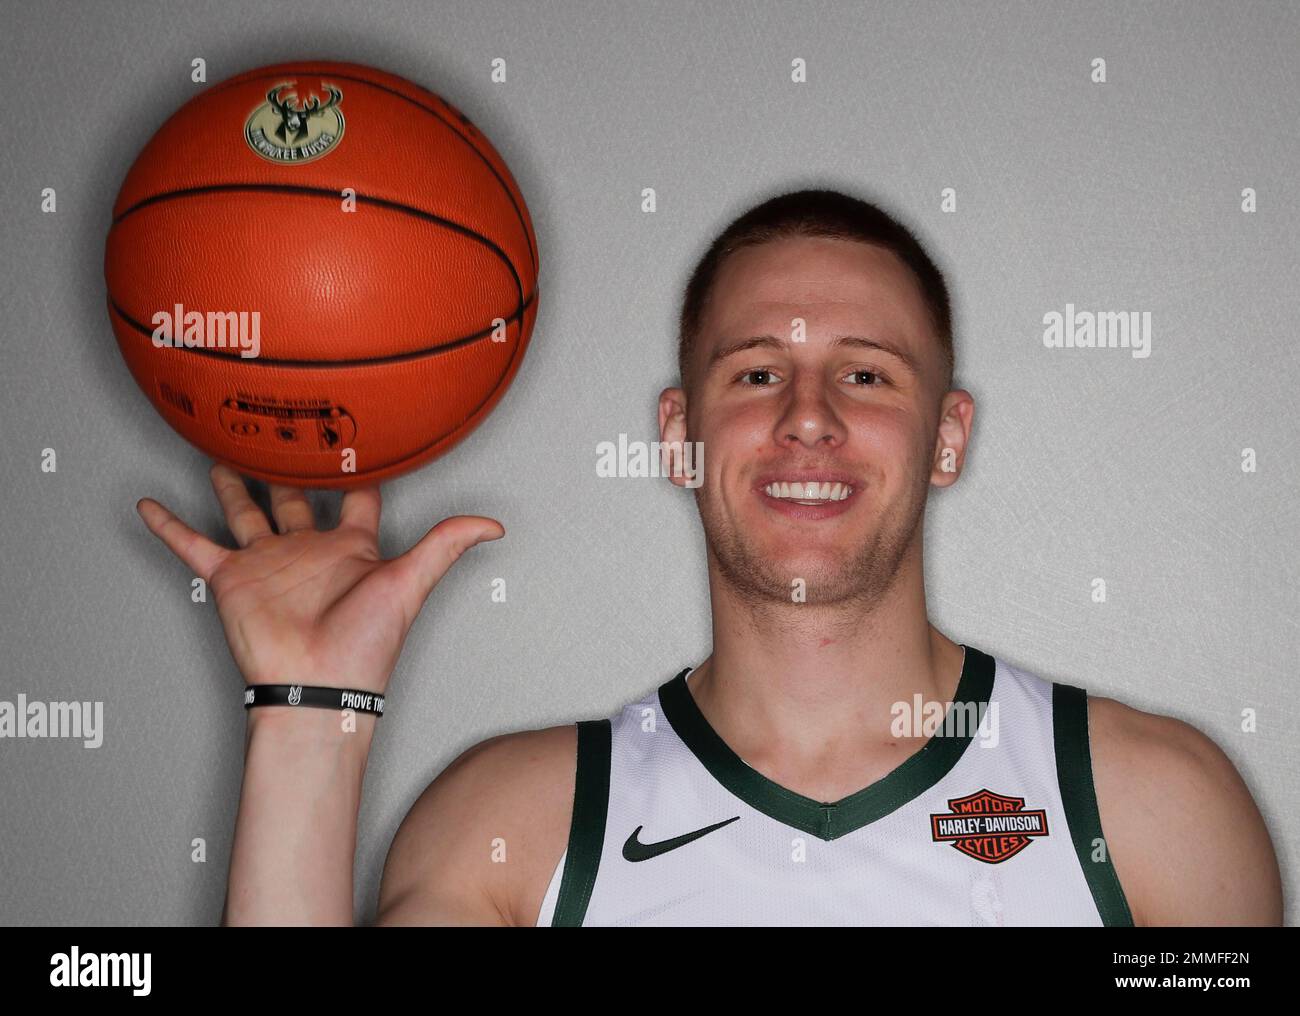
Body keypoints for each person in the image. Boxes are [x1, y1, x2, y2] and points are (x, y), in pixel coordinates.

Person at [136, 189, 1283, 926]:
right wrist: (307, 709)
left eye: (867, 372)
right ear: (679, 436)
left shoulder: (1146, 808)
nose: (808, 417)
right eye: (754, 373)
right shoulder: (523, 822)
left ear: (948, 437)